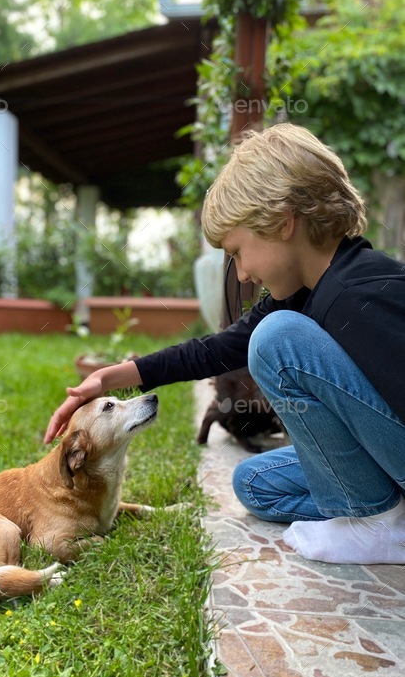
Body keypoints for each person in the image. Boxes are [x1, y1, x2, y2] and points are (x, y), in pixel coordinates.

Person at [45, 123, 405, 565]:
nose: (241, 274)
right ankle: (383, 516)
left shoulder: (362, 292)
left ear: (281, 222)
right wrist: (110, 377)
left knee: (277, 340)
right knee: (254, 483)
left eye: (236, 252)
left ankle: (377, 524)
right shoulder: (304, 292)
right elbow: (215, 350)